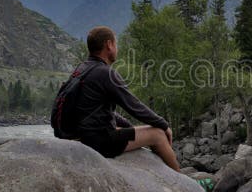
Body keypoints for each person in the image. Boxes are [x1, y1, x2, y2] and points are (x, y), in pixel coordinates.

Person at [72, 25, 180, 172]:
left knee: (129, 130)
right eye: (116, 44)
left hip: (83, 137)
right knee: (158, 134)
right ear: (109, 45)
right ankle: (185, 184)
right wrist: (164, 125)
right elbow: (134, 106)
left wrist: (127, 126)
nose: (117, 48)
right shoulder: (105, 73)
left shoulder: (81, 70)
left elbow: (101, 110)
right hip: (99, 142)